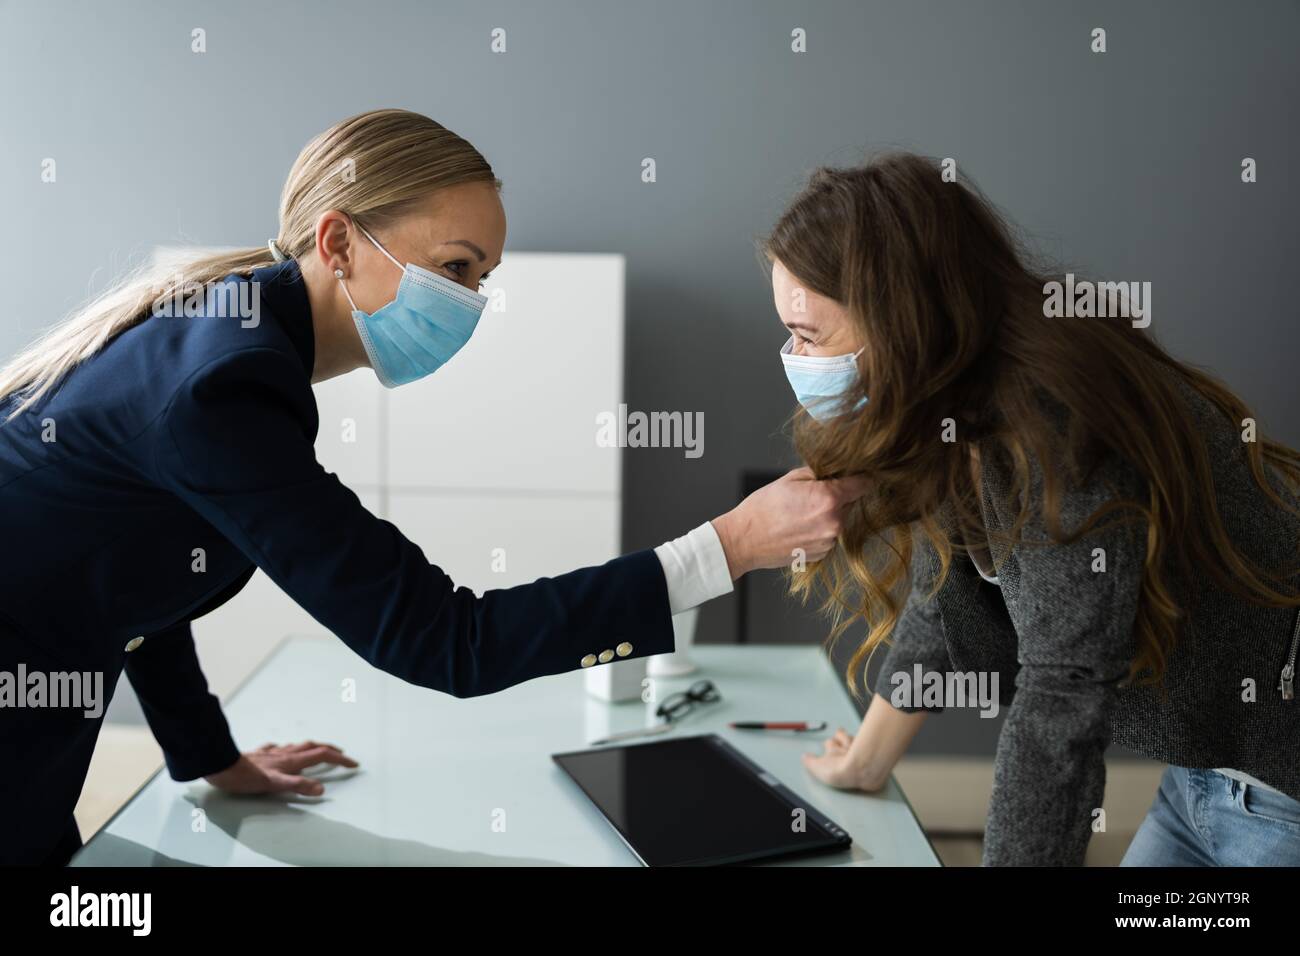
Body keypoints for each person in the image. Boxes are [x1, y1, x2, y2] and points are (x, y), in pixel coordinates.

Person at [0, 109, 865, 865]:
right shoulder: (223, 387)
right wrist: (733, 545)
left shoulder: (230, 340)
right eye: (454, 268)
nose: (471, 302)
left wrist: (206, 756)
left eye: (481, 278)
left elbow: (135, 581)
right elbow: (444, 640)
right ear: (339, 242)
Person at [765, 154, 1300, 865]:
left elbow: (1061, 696)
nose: (794, 356)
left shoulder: (1052, 423)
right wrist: (866, 762)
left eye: (809, 335)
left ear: (900, 319)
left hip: (1276, 788)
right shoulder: (966, 402)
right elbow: (945, 586)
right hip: (1207, 774)